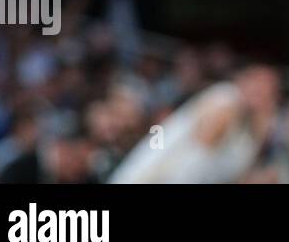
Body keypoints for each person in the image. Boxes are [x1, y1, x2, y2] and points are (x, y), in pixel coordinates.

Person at [108, 63, 280, 183]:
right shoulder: (226, 100)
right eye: (259, 85)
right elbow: (192, 164)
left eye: (268, 91)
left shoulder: (251, 126)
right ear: (244, 80)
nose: (262, 94)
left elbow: (234, 174)